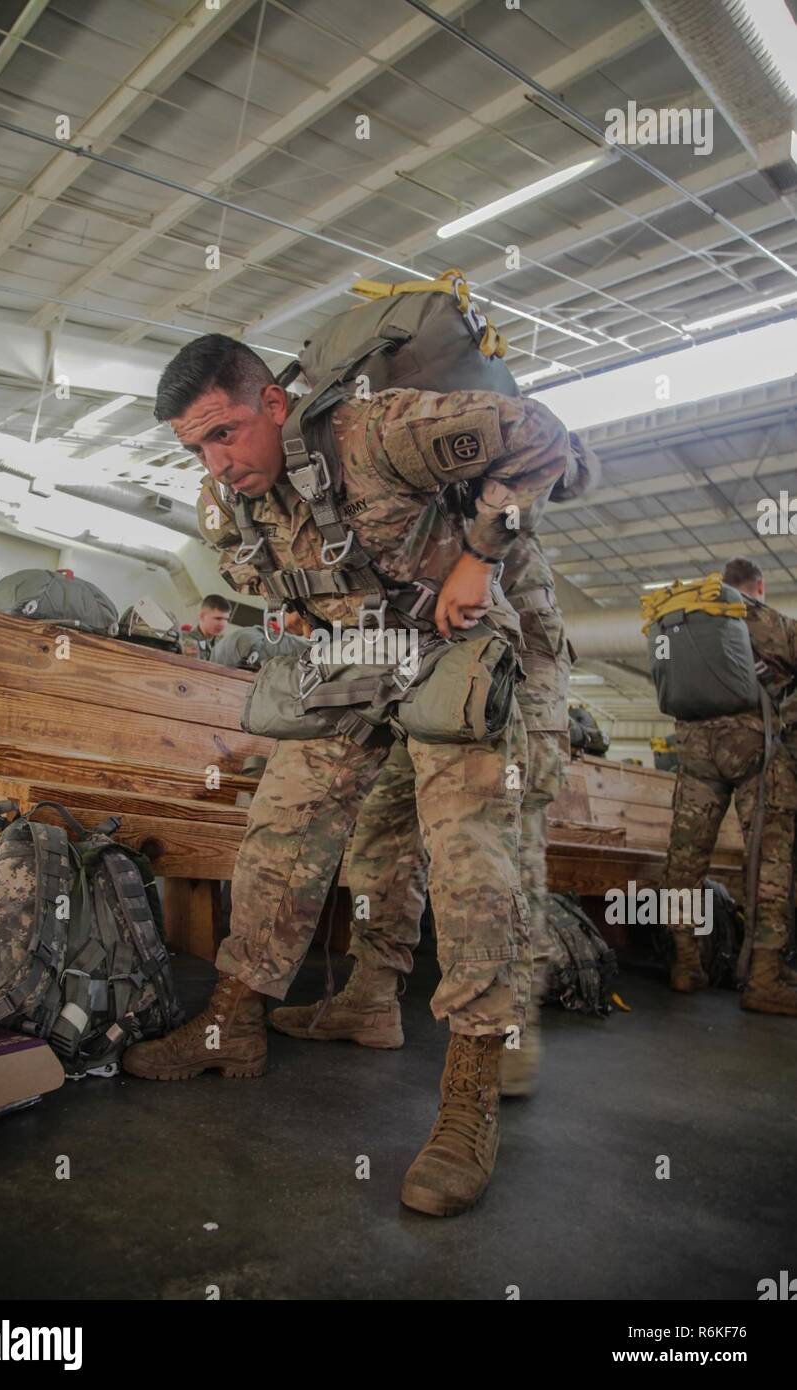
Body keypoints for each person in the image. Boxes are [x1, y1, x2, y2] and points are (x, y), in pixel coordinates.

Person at [123, 333, 577, 1218]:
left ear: (274, 404)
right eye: (194, 448)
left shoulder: (379, 432)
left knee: (470, 850)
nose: (215, 463)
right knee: (283, 823)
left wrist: (481, 554)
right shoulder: (227, 507)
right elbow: (293, 588)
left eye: (224, 433)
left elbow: (543, 434)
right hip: (361, 655)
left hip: (464, 635)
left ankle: (471, 1091)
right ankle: (234, 1019)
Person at [270, 514, 593, 1099]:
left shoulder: (492, 510)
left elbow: (537, 632)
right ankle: (370, 996)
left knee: (500, 849)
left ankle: (506, 1032)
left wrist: (540, 734)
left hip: (515, 684)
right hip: (425, 677)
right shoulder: (397, 498)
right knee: (382, 831)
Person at [663, 557, 797, 1015]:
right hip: (755, 753)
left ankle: (685, 964)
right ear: (758, 585)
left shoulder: (685, 615)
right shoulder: (766, 620)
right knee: (767, 860)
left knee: (685, 860)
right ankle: (763, 979)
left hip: (695, 753)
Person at [192, 594, 232, 659]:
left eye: (226, 619)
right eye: (218, 618)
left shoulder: (224, 645)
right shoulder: (185, 641)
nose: (222, 624)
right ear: (202, 616)